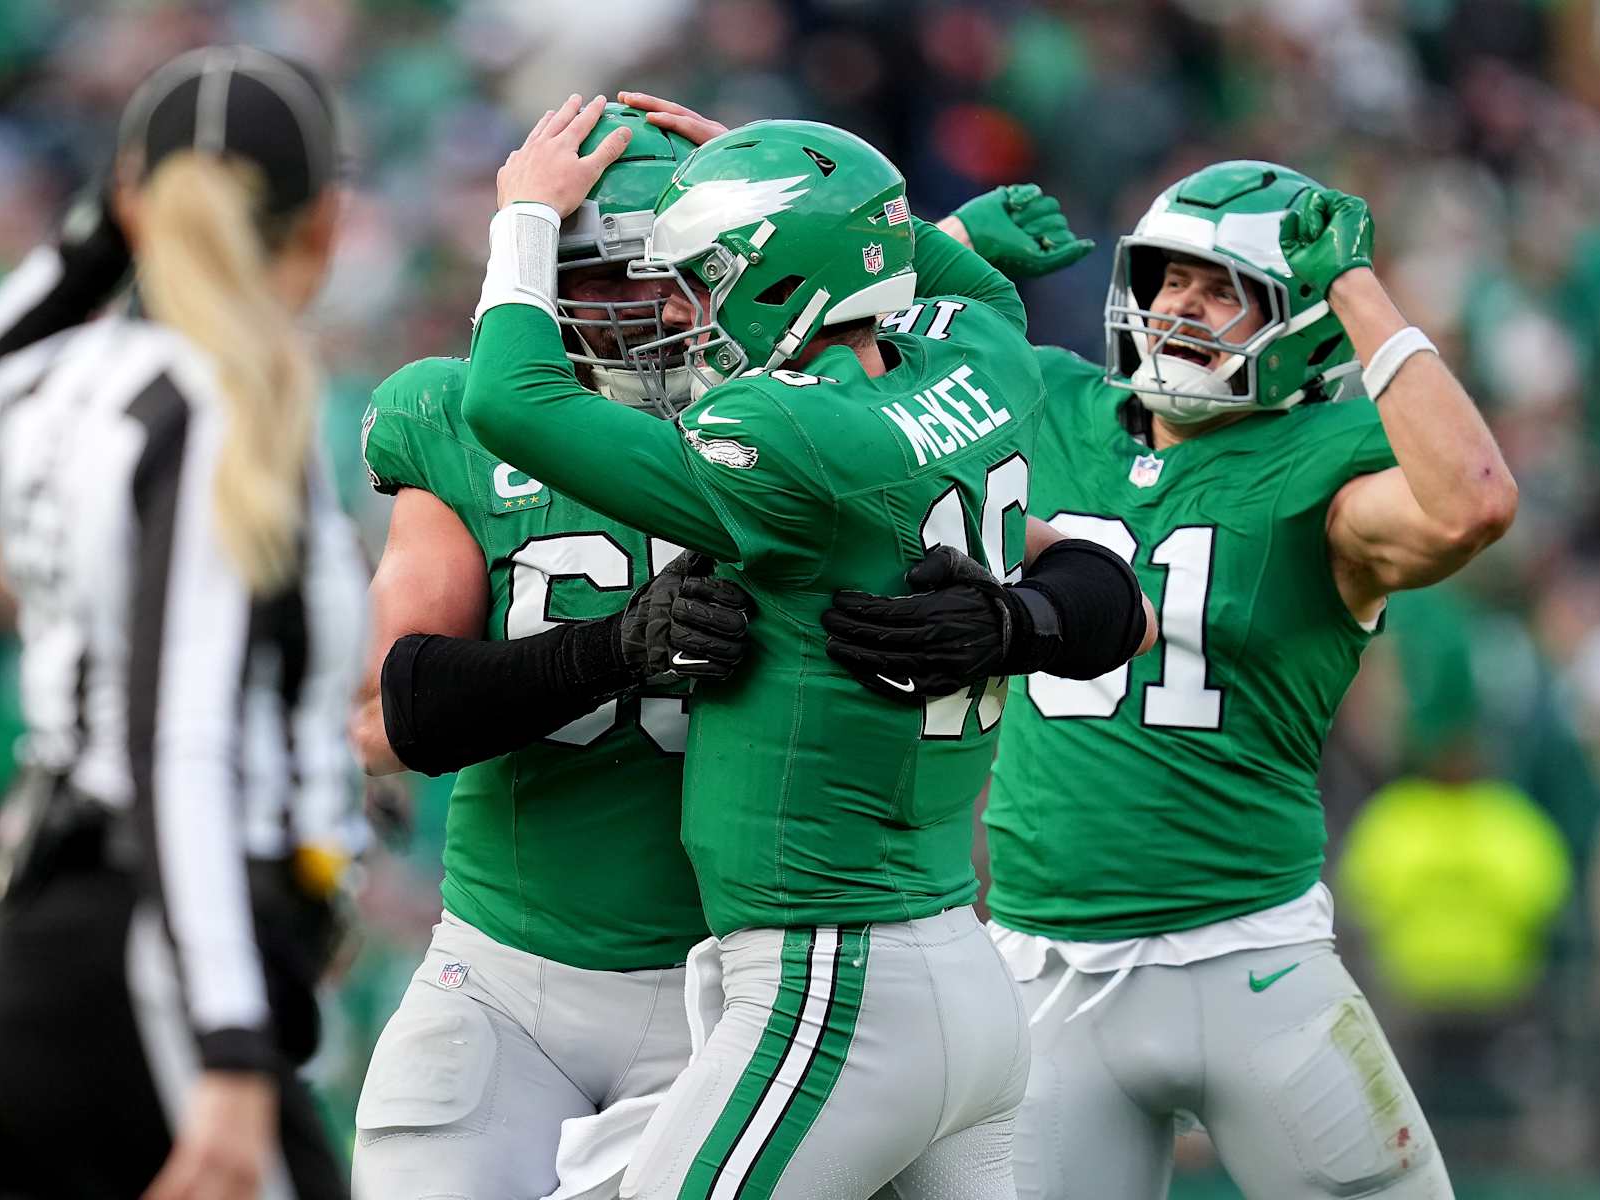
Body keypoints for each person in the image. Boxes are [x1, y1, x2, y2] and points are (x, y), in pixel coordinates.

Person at [459, 94, 1147, 1199]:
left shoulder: (782, 432)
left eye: (701, 280)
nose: (679, 310)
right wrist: (793, 179)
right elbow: (945, 275)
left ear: (783, 279)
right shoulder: (982, 350)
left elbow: (509, 397)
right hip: (954, 958)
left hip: (836, 973)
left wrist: (525, 222)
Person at [822, 164, 1518, 1198]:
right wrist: (941, 241)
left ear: (1302, 324)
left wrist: (1358, 286)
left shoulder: (1326, 461)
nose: (1181, 308)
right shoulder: (1047, 400)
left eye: (1222, 287)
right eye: (1166, 279)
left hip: (1251, 955)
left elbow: (1473, 503)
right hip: (1038, 962)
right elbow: (835, 363)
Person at [0, 46, 364, 1200]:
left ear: (128, 203)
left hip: (26, 940)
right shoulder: (213, 402)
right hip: (148, 960)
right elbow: (180, 741)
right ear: (325, 223)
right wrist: (231, 1047)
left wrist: (107, 237)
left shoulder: (76, 378)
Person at [349, 102, 757, 1200]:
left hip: (738, 987)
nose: (660, 309)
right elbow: (379, 724)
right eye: (616, 276)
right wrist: (609, 652)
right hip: (505, 973)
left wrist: (791, 178)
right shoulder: (457, 418)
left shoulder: (809, 419)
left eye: (688, 274)